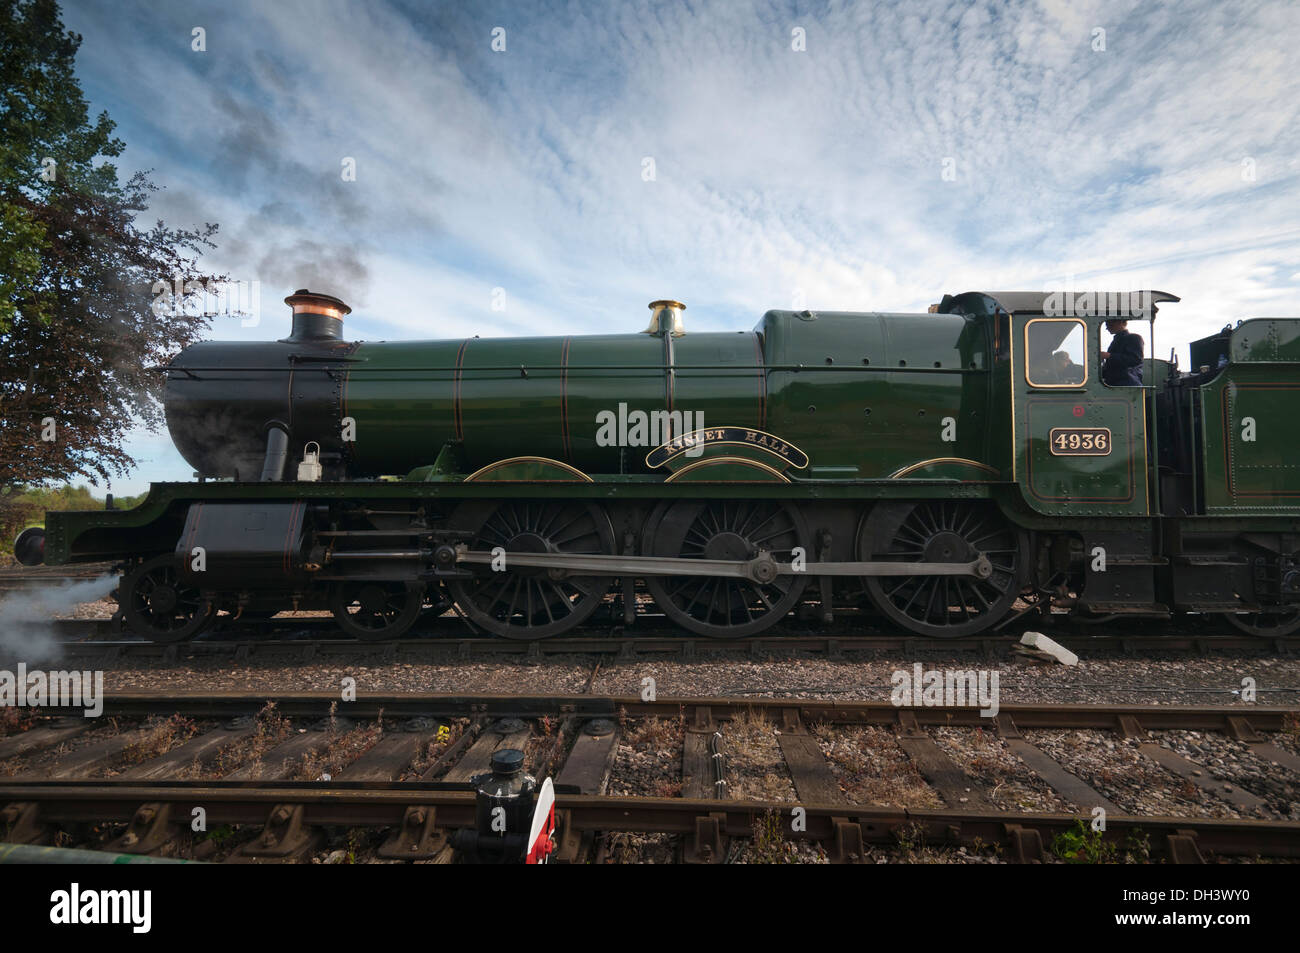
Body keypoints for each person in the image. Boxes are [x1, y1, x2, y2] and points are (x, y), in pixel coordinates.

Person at [1100, 319, 1144, 386]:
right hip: (1115, 384)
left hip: (1128, 384)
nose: (1107, 328)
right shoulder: (1116, 341)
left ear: (1120, 322)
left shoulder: (1134, 338)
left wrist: (1109, 356)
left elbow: (1135, 359)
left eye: (1109, 324)